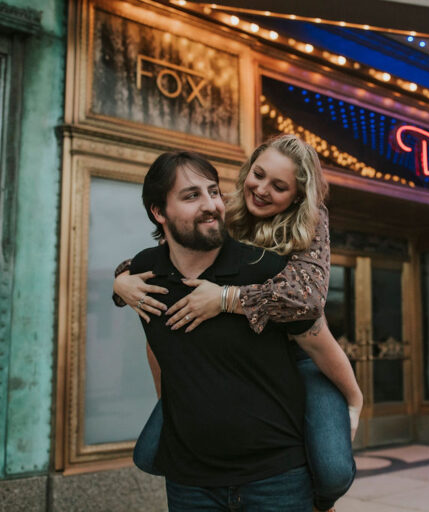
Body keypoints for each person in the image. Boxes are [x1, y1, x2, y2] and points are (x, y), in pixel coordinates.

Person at [115, 137, 359, 512]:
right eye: (258, 175)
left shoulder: (310, 221)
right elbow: (171, 250)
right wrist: (121, 281)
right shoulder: (225, 209)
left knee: (333, 470)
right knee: (148, 453)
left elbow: (307, 300)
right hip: (234, 361)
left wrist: (226, 298)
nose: (261, 189)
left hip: (298, 351)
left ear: (297, 196)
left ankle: (320, 504)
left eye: (279, 186)